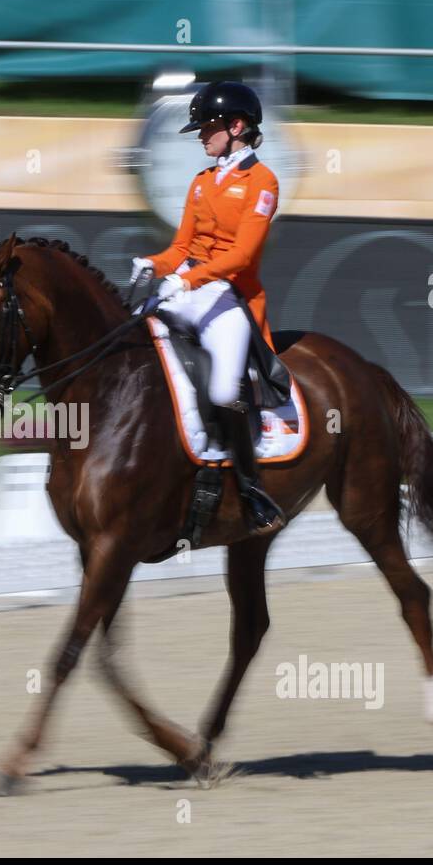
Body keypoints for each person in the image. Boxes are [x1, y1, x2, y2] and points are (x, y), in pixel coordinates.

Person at [131, 80, 285, 534]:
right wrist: (153, 264)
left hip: (230, 296)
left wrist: (186, 278)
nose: (201, 136)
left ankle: (252, 488)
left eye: (208, 127)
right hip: (190, 287)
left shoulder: (263, 182)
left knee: (222, 392)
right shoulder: (200, 183)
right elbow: (181, 246)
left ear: (237, 127)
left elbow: (242, 257)